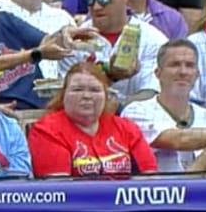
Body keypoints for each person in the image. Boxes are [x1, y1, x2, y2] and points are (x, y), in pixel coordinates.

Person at [121, 38, 206, 175]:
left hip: (199, 192)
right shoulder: (136, 111)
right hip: (158, 192)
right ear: (158, 73)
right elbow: (178, 140)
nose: (183, 72)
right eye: (175, 65)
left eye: (189, 65)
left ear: (197, 75)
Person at [28, 61, 158, 178]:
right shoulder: (46, 130)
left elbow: (149, 178)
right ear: (63, 95)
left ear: (106, 96)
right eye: (77, 90)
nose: (86, 96)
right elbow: (58, 189)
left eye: (95, 90)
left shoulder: (127, 128)